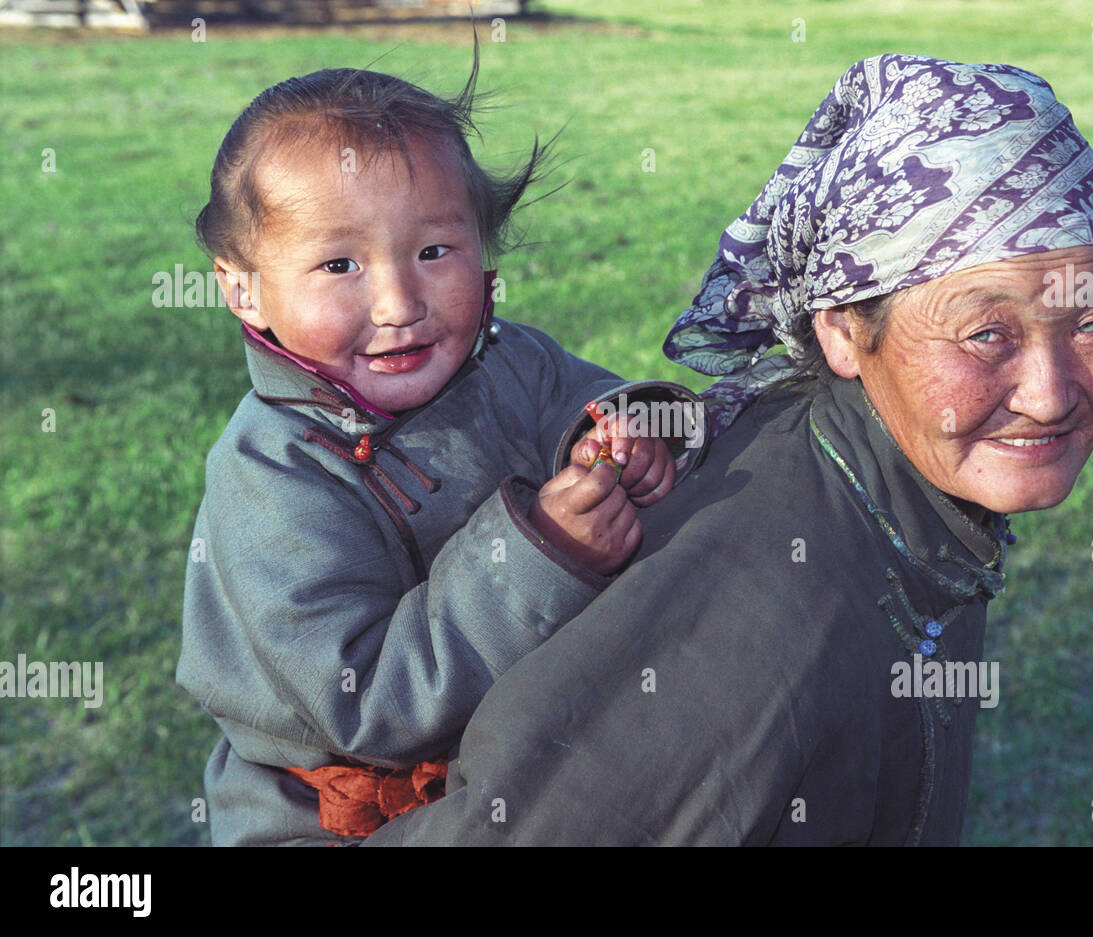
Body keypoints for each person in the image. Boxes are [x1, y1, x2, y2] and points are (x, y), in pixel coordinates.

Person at [361, 53, 1093, 845]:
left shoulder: (911, 497)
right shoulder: (761, 619)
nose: (1048, 394)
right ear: (841, 328)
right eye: (985, 334)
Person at [175, 64, 707, 846]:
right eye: (338, 265)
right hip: (337, 813)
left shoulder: (505, 359)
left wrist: (630, 435)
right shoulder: (271, 474)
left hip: (504, 757)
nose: (398, 304)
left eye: (433, 250)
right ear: (244, 290)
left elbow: (582, 400)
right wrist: (545, 551)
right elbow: (367, 699)